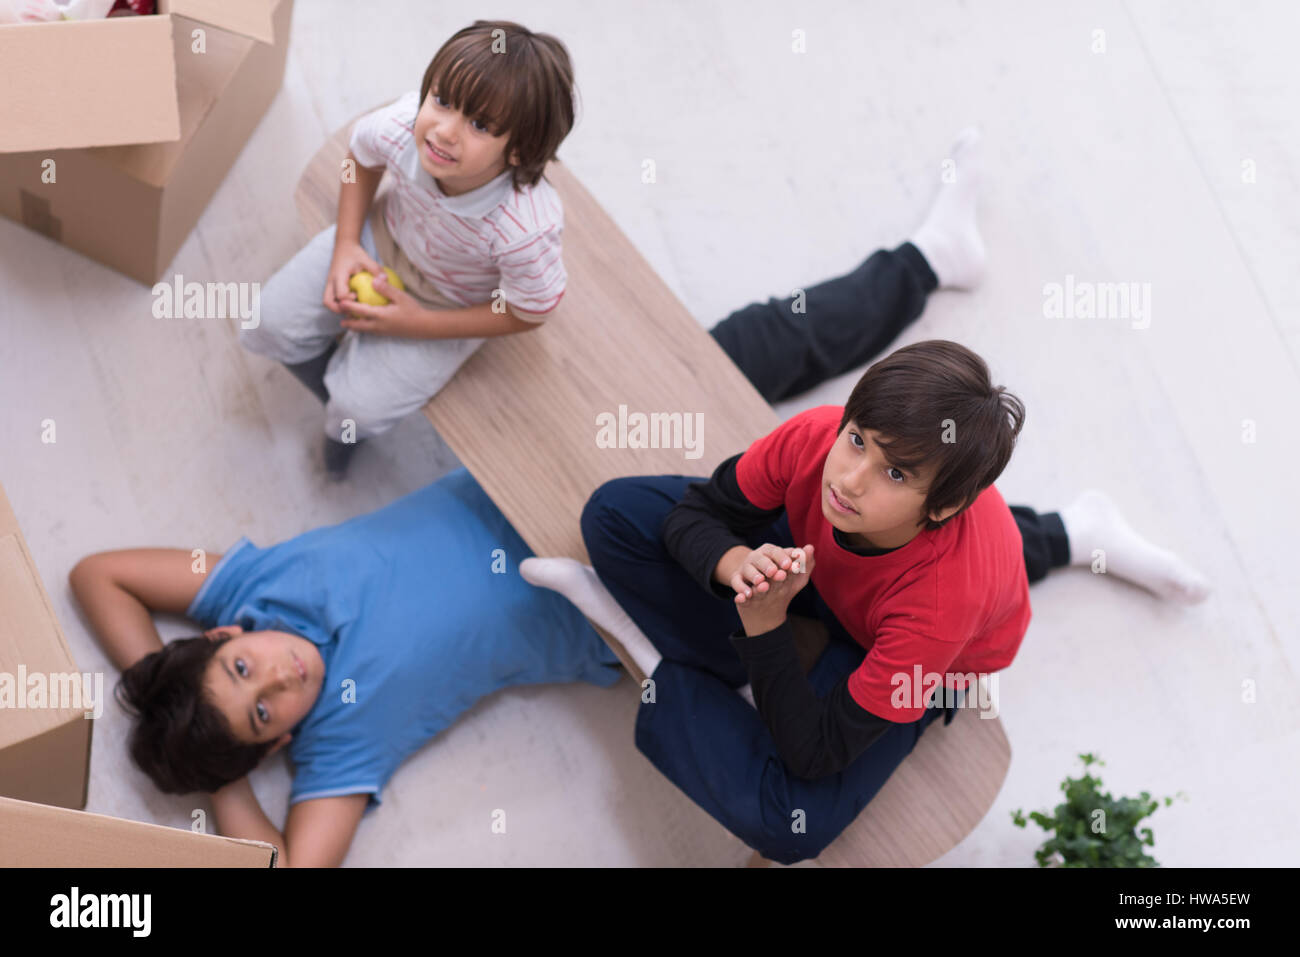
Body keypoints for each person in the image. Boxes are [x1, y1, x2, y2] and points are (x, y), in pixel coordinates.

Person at [519, 130, 1210, 864]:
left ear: (940, 506)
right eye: (859, 440)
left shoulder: (937, 611)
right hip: (821, 569)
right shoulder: (818, 440)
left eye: (896, 473)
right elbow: (701, 511)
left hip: (905, 637)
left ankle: (658, 662)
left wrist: (763, 628)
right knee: (614, 517)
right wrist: (735, 567)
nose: (848, 477)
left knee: (793, 823)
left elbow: (816, 753)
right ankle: (1070, 528)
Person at [68, 467, 622, 867]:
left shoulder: (257, 591)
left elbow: (98, 575)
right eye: (263, 711)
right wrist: (223, 777)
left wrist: (160, 680)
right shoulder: (340, 741)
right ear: (274, 744)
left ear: (223, 634)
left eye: (241, 666)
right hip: (618, 598)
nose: (281, 675)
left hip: (535, 469)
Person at [240, 20, 574, 478]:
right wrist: (345, 244)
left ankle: (341, 430)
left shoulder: (525, 230)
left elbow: (530, 310)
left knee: (357, 414)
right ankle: (331, 384)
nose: (443, 131)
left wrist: (423, 323)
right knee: (268, 321)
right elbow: (361, 158)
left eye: (478, 124)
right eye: (441, 100)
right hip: (382, 241)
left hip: (452, 303)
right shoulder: (402, 126)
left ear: (519, 150)